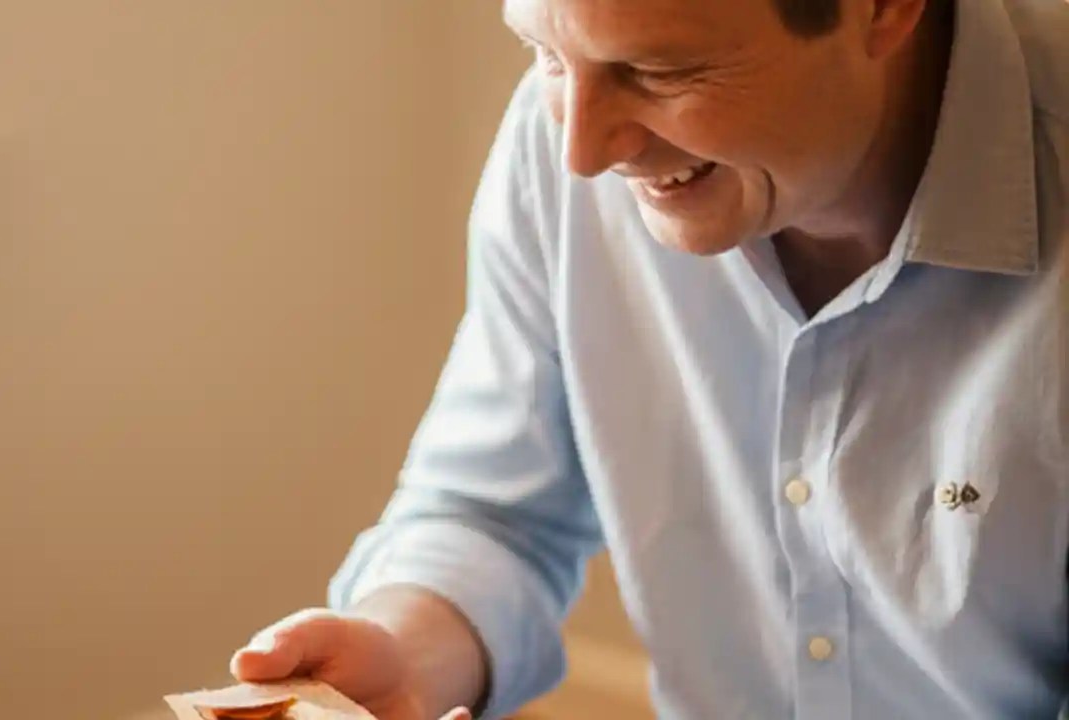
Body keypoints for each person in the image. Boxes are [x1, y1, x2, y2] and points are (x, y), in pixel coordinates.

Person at [229, 0, 1069, 717]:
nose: (584, 154)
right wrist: (398, 657)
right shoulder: (555, 145)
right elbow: (493, 515)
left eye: (660, 72)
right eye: (545, 52)